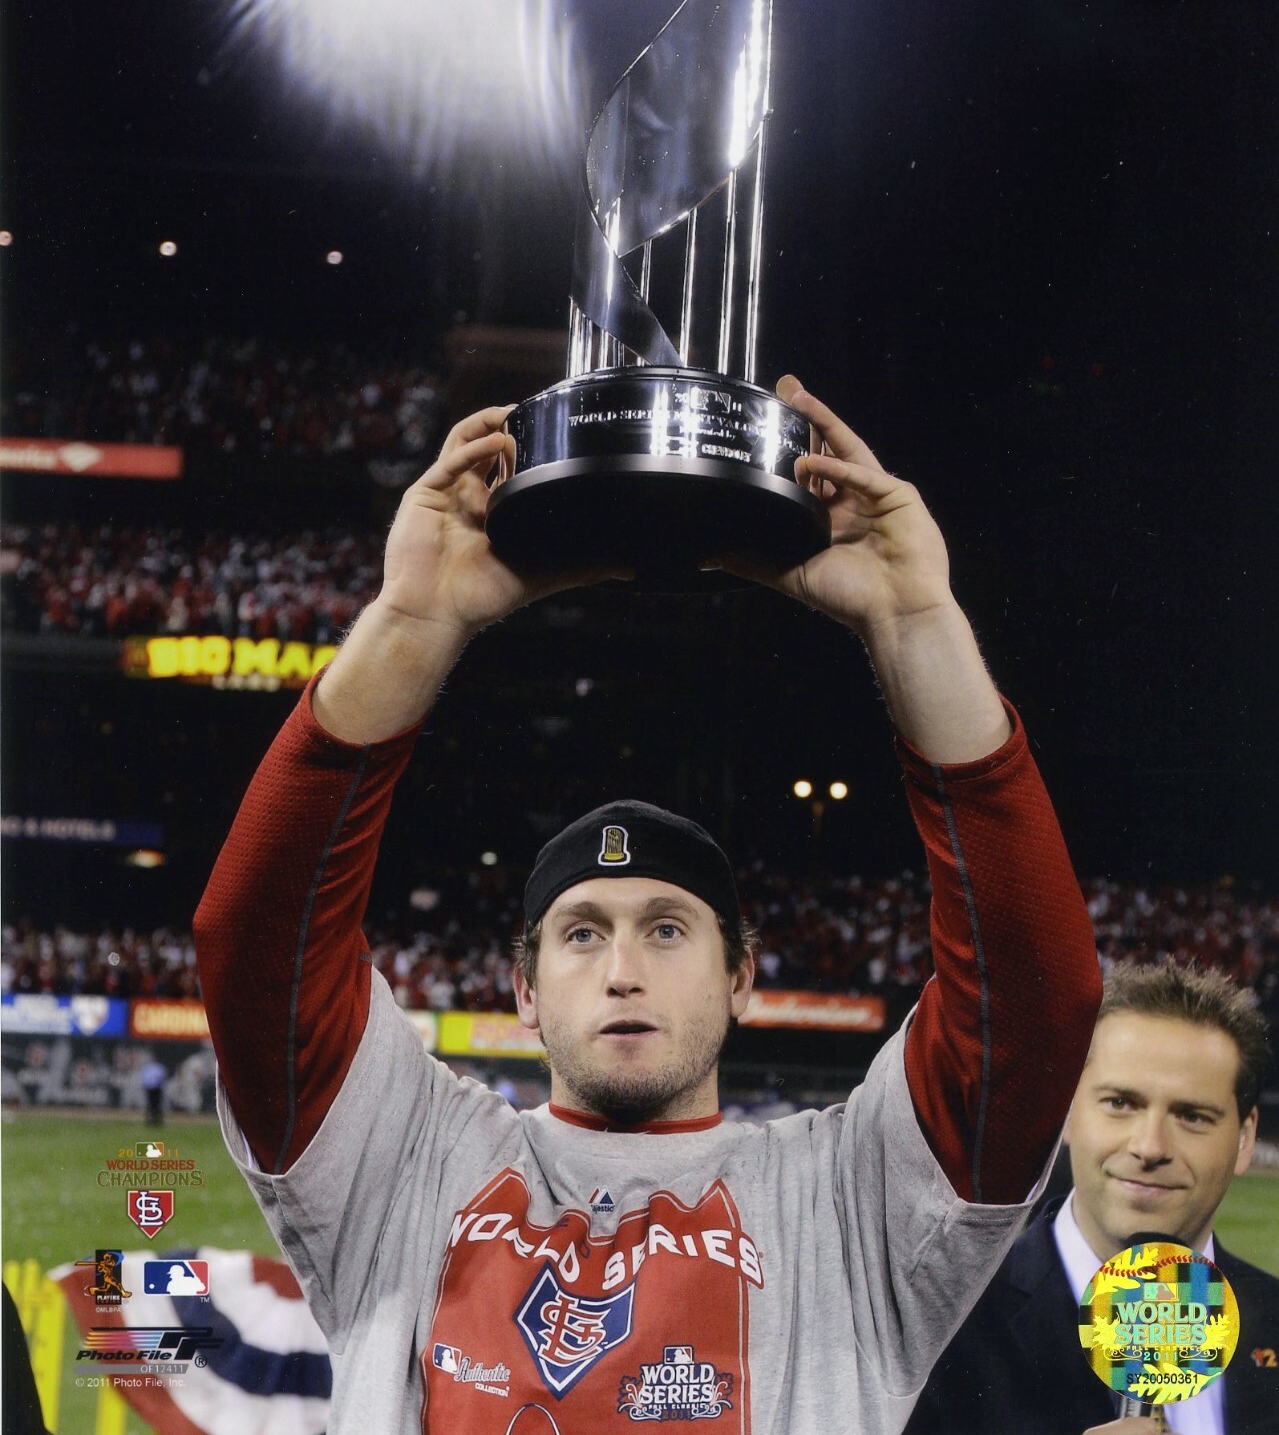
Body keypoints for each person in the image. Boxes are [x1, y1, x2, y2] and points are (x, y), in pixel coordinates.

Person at [194, 378, 1103, 1434]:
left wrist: (912, 622)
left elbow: (1037, 999)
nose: (622, 966)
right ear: (524, 992)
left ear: (741, 976)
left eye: (667, 928)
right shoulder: (405, 1163)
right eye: (582, 935)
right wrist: (410, 624)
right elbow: (253, 943)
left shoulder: (849, 1200)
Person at [906, 959, 1279, 1435]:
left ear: (1245, 1139)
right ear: (1068, 1111)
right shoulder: (943, 1329)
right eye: (1120, 1104)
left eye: (1192, 1116)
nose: (1150, 1147)